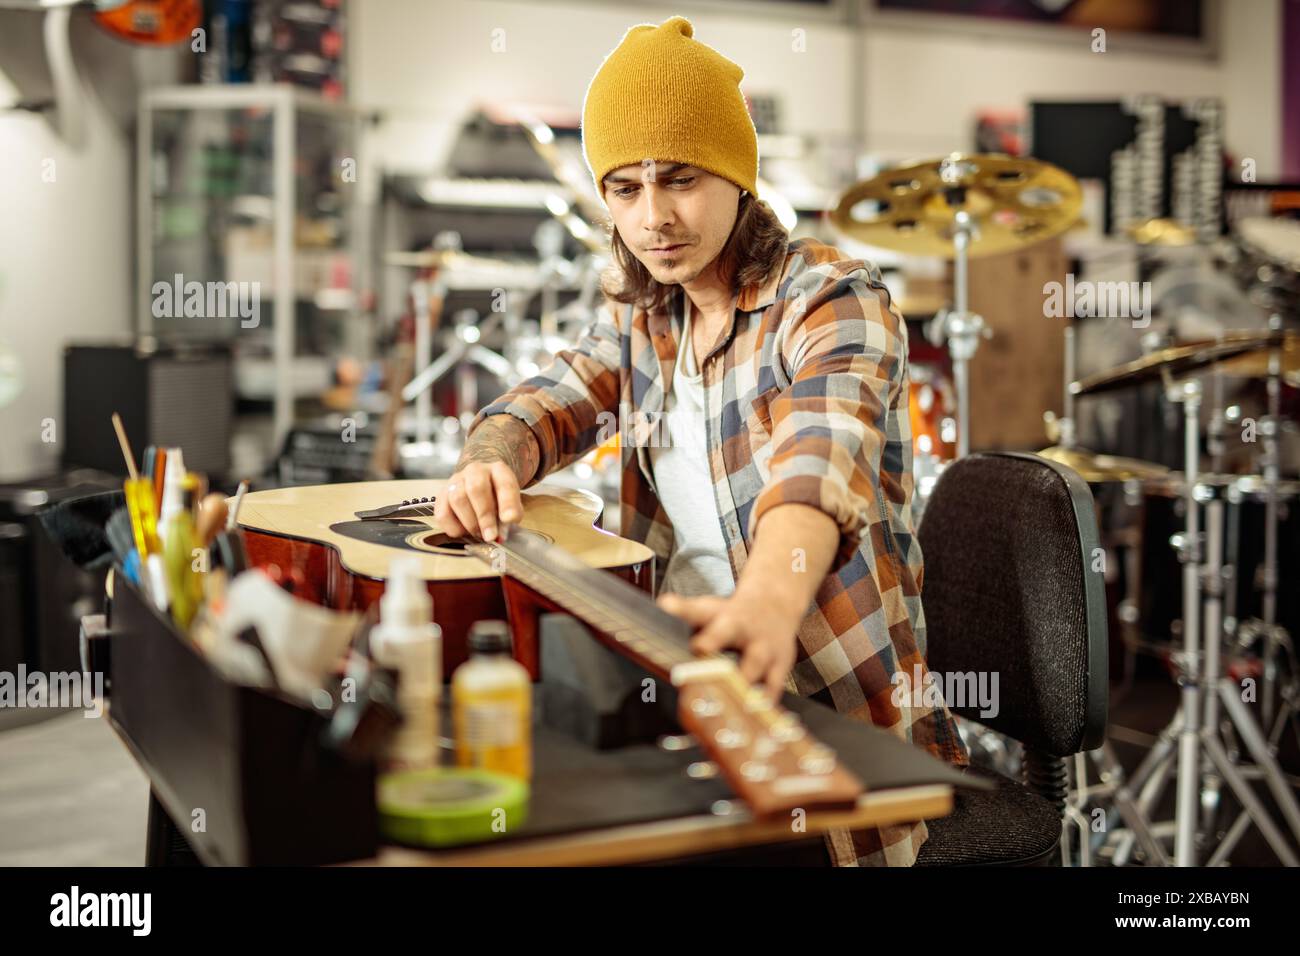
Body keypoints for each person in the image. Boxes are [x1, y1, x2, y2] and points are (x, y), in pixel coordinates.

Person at [433, 15, 968, 866]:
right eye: (624, 189)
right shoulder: (650, 319)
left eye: (679, 180)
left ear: (736, 176)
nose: (654, 219)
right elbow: (551, 400)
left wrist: (763, 602)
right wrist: (490, 457)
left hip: (825, 718)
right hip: (675, 680)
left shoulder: (831, 301)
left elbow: (819, 462)